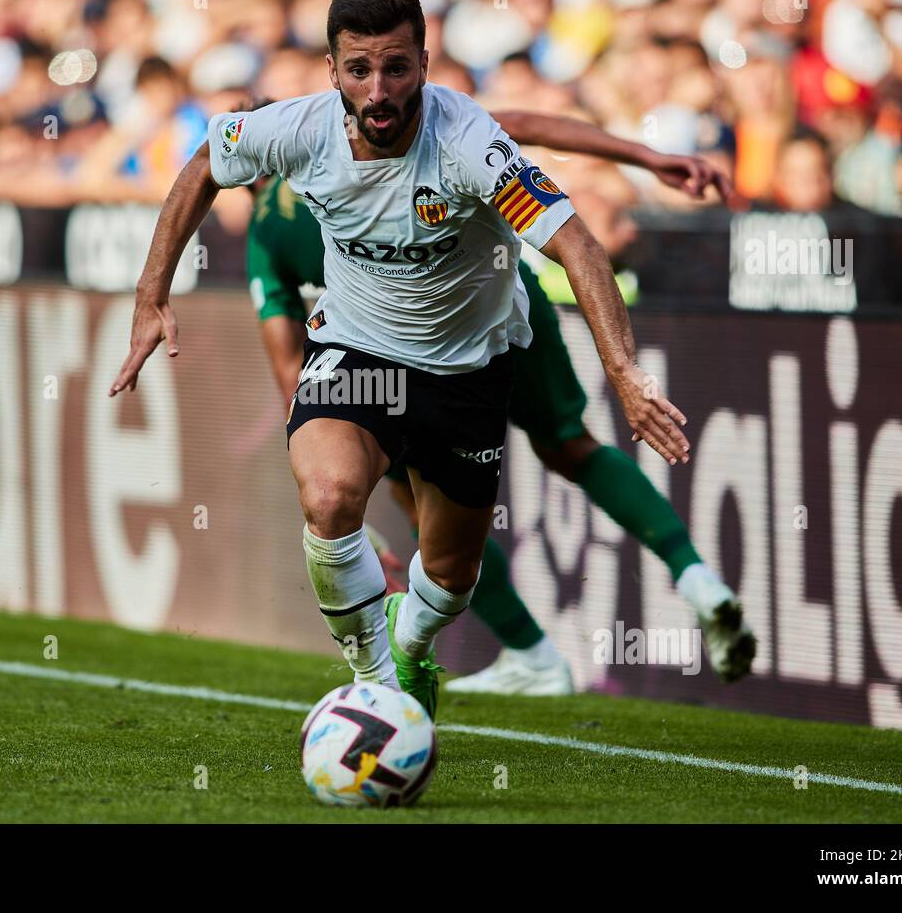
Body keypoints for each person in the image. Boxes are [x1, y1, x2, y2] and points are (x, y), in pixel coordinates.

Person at [110, 0, 721, 719]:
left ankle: (408, 640)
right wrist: (152, 295)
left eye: (396, 67)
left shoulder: (469, 146)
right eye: (359, 70)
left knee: (452, 574)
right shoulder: (295, 130)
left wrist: (624, 373)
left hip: (468, 370)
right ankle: (375, 676)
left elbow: (580, 248)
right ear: (332, 71)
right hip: (357, 355)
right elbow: (207, 158)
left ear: (424, 65)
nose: (378, 90)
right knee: (330, 496)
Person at [246, 115, 753, 695]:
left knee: (425, 512)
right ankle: (697, 578)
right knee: (572, 446)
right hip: (511, 309)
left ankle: (530, 654)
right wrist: (643, 154)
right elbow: (528, 125)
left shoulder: (267, 226)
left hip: (408, 357)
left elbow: (296, 378)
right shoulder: (410, 123)